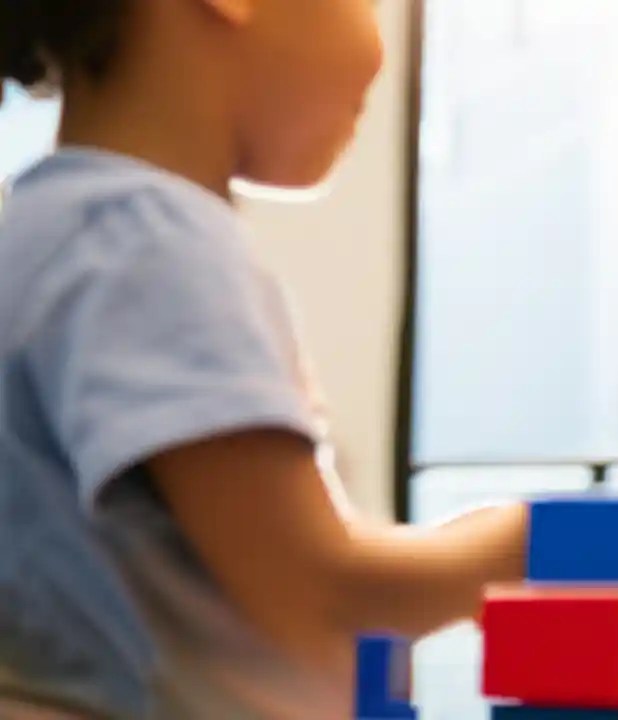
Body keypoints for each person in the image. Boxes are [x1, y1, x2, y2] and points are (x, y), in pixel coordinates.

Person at [0, 2, 529, 718]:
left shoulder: (49, 232)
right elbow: (319, 597)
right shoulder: (145, 241)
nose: (378, 48)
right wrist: (515, 545)